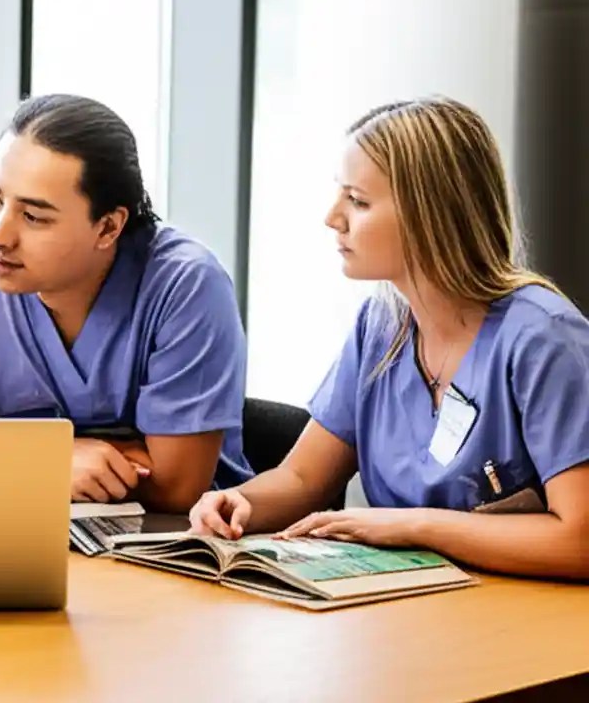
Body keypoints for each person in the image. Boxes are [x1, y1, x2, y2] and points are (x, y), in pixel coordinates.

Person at [188, 97, 589, 580]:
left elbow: (580, 540)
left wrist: (416, 526)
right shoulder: (380, 326)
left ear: (432, 213)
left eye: (357, 201)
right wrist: (236, 501)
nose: (332, 217)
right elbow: (302, 478)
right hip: (410, 613)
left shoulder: (544, 338)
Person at [0, 94, 252, 512]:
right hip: (12, 524)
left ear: (108, 226)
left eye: (34, 217)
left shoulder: (187, 285)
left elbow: (177, 488)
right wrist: (52, 463)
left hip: (169, 544)